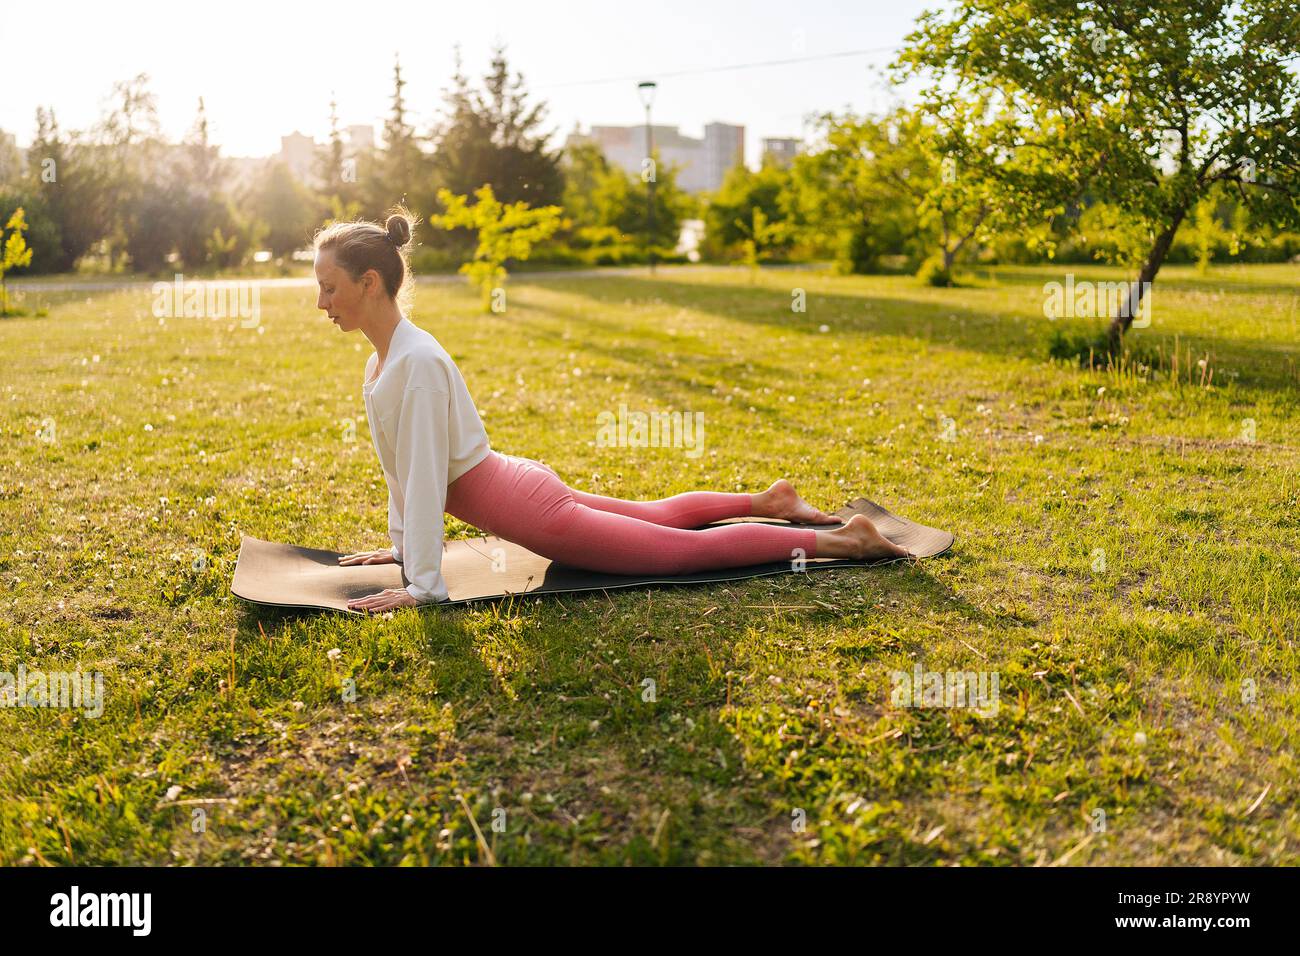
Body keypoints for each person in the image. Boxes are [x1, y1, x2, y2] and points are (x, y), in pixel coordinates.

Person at [313, 210, 908, 613]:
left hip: (526, 505)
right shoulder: (384, 362)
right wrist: (401, 551)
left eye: (330, 288)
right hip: (516, 484)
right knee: (656, 515)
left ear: (369, 282)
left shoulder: (412, 363)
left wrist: (423, 585)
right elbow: (405, 474)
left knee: (684, 555)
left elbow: (422, 483)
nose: (321, 303)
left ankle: (847, 542)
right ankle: (771, 503)